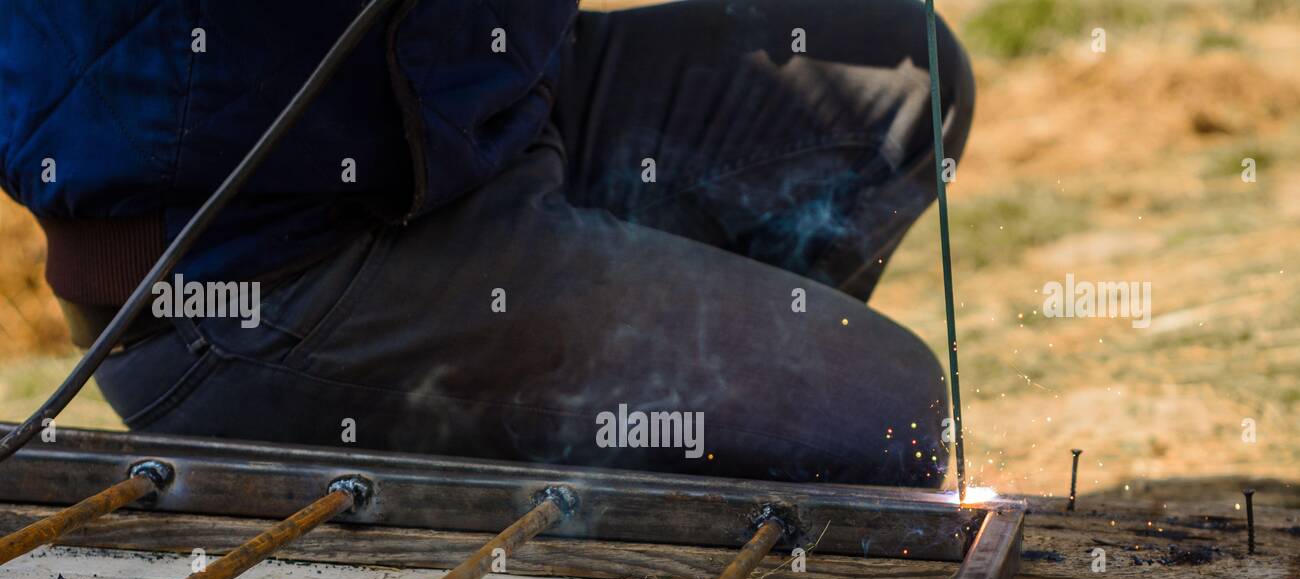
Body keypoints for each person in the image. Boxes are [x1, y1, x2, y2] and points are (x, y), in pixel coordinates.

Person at [0, 0, 973, 486]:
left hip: (483, 122)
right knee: (890, 418)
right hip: (263, 264)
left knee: (901, 81)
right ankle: (547, 495)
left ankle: (617, 450)